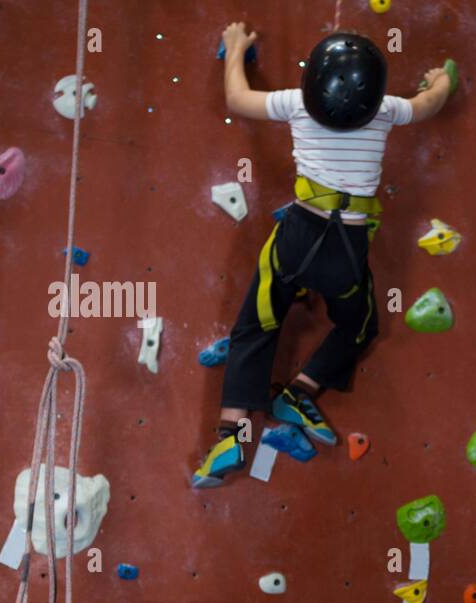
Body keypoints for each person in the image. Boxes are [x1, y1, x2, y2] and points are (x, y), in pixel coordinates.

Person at [193, 23, 453, 488]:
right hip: (346, 252)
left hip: (296, 235)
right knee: (360, 324)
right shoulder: (388, 111)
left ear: (313, 86)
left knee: (256, 324)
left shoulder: (295, 102)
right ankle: (301, 389)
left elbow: (237, 98)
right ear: (372, 98)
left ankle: (230, 435)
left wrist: (235, 49)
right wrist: (441, 82)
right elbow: (427, 104)